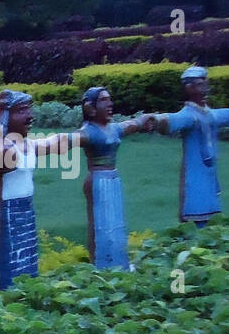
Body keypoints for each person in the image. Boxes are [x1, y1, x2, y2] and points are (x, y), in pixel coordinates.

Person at [0, 89, 79, 287]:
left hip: (26, 208)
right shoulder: (1, 147)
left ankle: (26, 296)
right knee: (11, 258)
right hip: (9, 210)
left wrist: (77, 137)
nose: (29, 116)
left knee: (28, 256)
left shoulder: (28, 145)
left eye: (29, 110)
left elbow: (54, 143)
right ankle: (9, 299)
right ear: (5, 116)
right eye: (22, 111)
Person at [76, 86, 152, 268]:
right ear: (90, 107)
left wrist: (146, 120)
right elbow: (63, 141)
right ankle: (102, 266)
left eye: (109, 99)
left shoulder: (112, 128)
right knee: (100, 226)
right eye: (103, 100)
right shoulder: (88, 132)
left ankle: (118, 263)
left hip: (112, 180)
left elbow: (131, 125)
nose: (110, 104)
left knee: (116, 224)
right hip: (98, 182)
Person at [152, 66, 228, 227]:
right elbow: (171, 121)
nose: (206, 88)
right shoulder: (190, 116)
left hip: (209, 176)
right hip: (195, 177)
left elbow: (223, 115)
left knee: (213, 220)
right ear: (189, 88)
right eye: (201, 84)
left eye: (206, 83)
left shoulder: (209, 114)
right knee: (198, 217)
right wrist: (155, 120)